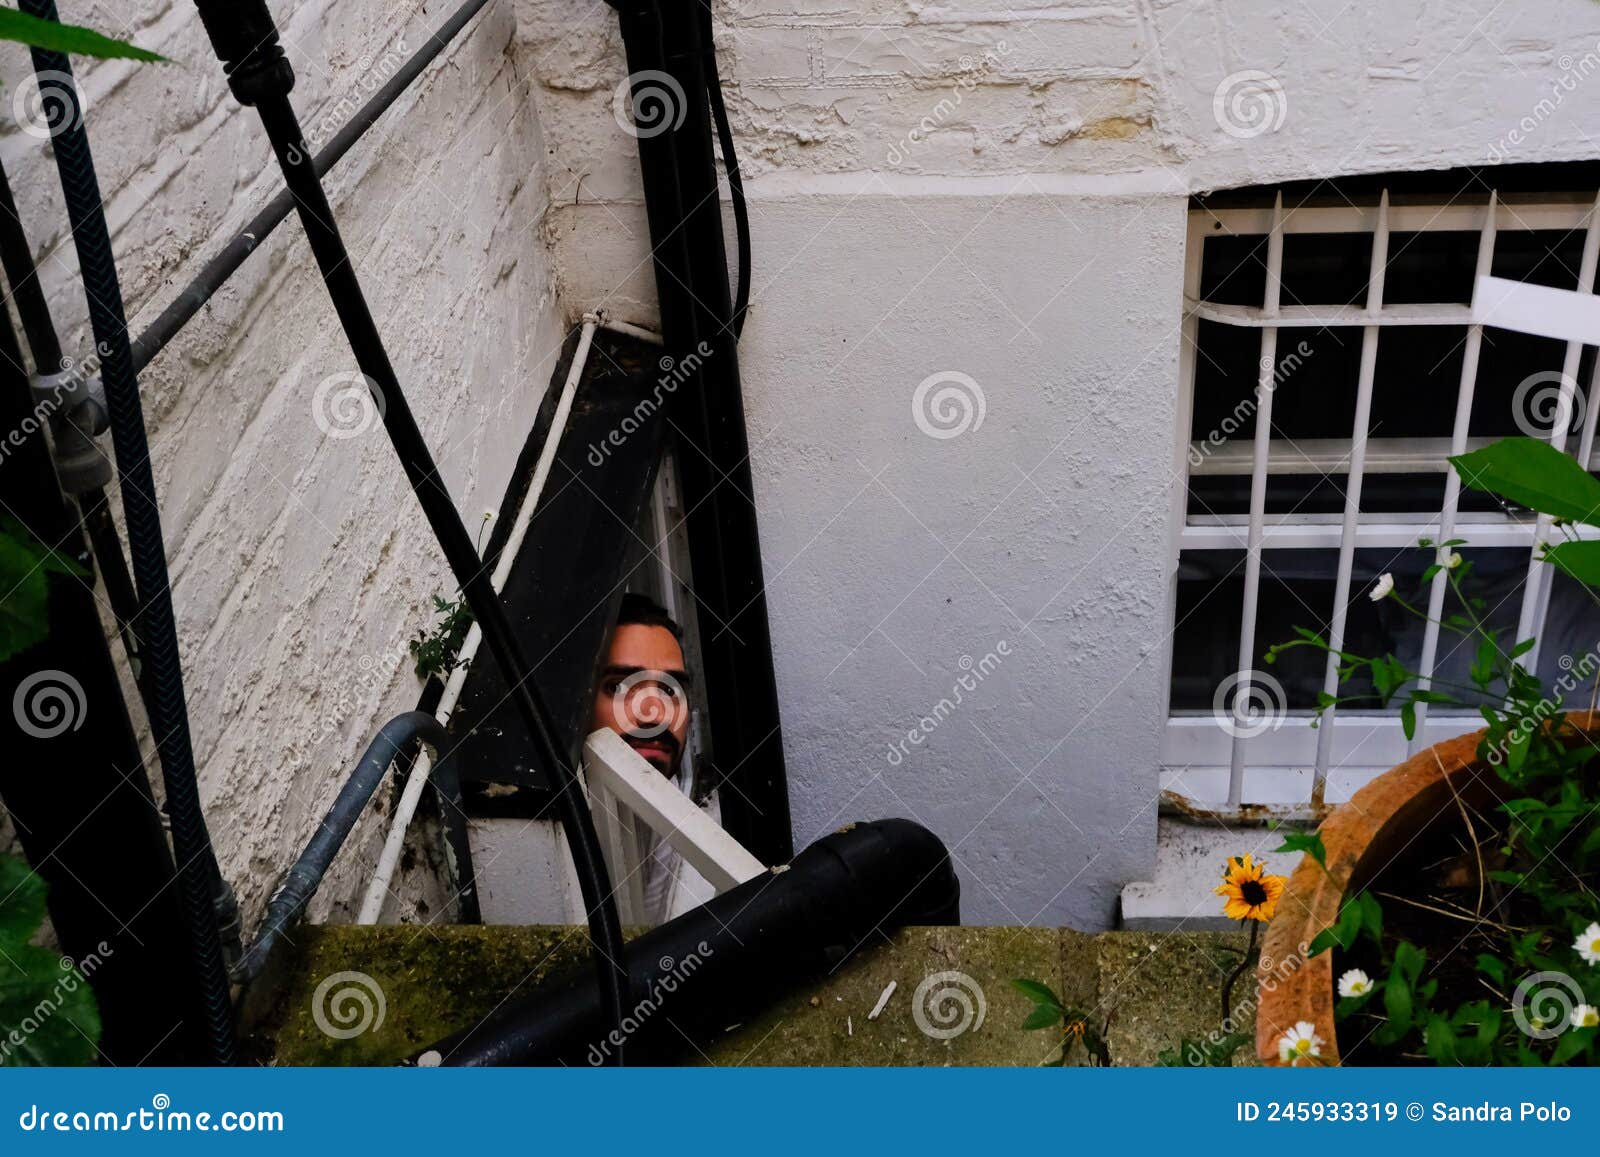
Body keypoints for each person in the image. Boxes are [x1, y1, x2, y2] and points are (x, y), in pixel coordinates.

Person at [589, 592, 720, 922]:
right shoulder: (552, 836)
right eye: (619, 686)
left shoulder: (710, 833)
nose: (654, 715)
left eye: (668, 690)